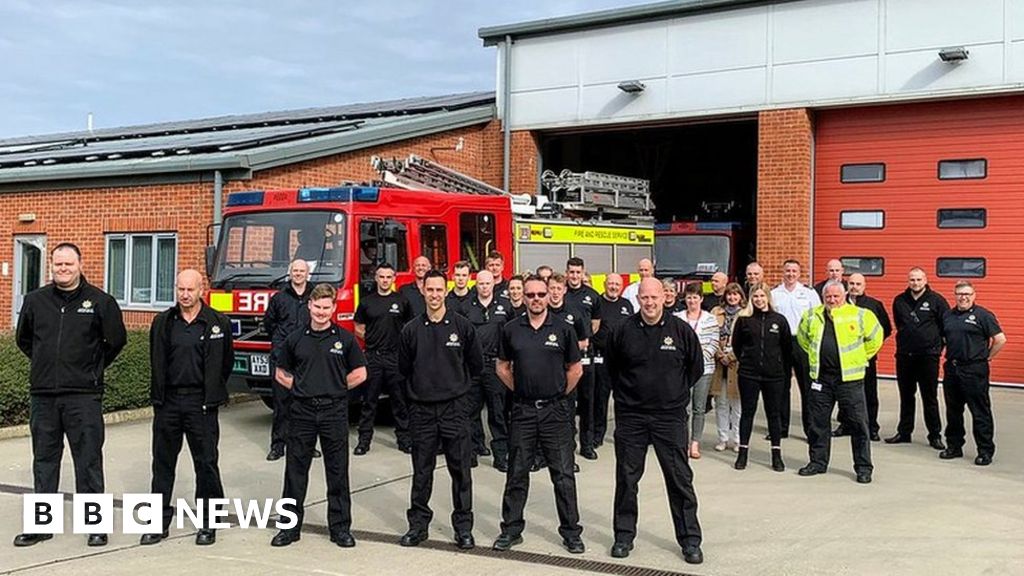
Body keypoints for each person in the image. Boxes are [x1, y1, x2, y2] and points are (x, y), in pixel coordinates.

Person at [14, 242, 127, 548]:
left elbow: (115, 341)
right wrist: (45, 365)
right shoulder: (35, 301)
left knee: (88, 462)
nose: (63, 270)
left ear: (80, 265)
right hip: (44, 397)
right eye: (58, 265)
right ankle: (41, 526)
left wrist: (89, 368)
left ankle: (96, 526)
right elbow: (24, 340)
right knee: (44, 462)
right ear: (51, 266)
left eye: (68, 265)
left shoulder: (100, 302)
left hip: (83, 397)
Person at [605, 277, 704, 565]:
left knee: (680, 480)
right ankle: (623, 536)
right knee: (626, 479)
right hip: (632, 417)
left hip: (669, 417)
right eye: (644, 298)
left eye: (654, 297)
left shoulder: (681, 331)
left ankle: (690, 540)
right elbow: (611, 369)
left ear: (665, 297)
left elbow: (695, 368)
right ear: (638, 299)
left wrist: (672, 392)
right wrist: (627, 397)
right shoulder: (622, 331)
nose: (649, 303)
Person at [271, 284, 367, 548]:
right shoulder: (295, 338)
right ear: (310, 307)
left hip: (334, 411)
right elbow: (281, 373)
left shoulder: (345, 339)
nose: (322, 312)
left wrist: (334, 387)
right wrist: (303, 388)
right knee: (294, 472)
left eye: (327, 307)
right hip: (301, 411)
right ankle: (288, 529)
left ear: (333, 308)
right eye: (318, 307)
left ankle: (340, 529)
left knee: (337, 471)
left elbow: (360, 373)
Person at [493, 276, 584, 554]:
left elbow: (575, 369)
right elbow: (502, 367)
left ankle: (571, 533)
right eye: (530, 294)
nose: (535, 299)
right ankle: (510, 530)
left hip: (556, 412)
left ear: (548, 296)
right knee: (517, 473)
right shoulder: (510, 329)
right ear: (523, 298)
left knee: (563, 475)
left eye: (540, 294)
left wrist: (556, 395)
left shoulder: (563, 329)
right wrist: (522, 391)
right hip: (522, 411)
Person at [144, 269, 234, 546]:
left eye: (190, 290)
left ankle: (208, 523)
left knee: (206, 464)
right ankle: (158, 523)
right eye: (180, 289)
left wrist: (212, 392)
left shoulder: (217, 323)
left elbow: (226, 362)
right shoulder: (163, 322)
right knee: (162, 464)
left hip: (201, 404)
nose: (184, 295)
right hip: (168, 402)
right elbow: (156, 359)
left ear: (201, 290)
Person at [398, 270, 484, 549]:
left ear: (445, 291)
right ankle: (418, 526)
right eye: (429, 290)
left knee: (461, 471)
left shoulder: (462, 327)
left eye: (438, 290)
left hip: (455, 410)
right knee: (422, 472)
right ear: (422, 291)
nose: (434, 295)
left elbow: (476, 367)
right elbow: (403, 370)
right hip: (422, 412)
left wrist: (462, 402)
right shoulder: (410, 329)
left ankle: (463, 528)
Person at [797, 281, 883, 484]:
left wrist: (861, 357)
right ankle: (818, 462)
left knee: (858, 425)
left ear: (844, 296)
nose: (832, 300)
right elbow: (803, 339)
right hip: (821, 379)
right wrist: (815, 357)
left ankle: (863, 467)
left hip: (849, 380)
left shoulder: (861, 315)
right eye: (829, 297)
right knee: (818, 424)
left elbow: (876, 338)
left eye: (836, 296)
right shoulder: (811, 315)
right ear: (823, 297)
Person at [939, 281, 1006, 466]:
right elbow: (945, 338)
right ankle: (954, 446)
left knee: (980, 412)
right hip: (952, 369)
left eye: (967, 294)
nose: (963, 297)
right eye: (960, 294)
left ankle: (985, 451)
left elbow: (1000, 339)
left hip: (974, 370)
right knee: (953, 412)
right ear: (955, 295)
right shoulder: (948, 316)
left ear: (974, 295)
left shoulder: (983, 315)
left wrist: (987, 357)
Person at [730, 284, 791, 471]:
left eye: (762, 296)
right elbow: (737, 346)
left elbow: (787, 348)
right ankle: (743, 454)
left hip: (774, 376)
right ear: (751, 299)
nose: (758, 299)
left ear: (768, 298)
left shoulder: (779, 320)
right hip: (749, 374)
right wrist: (748, 361)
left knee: (773, 414)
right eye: (755, 296)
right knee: (748, 413)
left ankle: (776, 455)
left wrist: (781, 368)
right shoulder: (744, 320)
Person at [353, 263, 412, 455]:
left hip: (395, 358)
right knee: (369, 402)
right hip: (373, 357)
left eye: (388, 277)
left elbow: (409, 328)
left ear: (394, 278)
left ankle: (404, 440)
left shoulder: (402, 301)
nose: (385, 280)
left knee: (399, 401)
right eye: (381, 277)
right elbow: (358, 327)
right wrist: (371, 339)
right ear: (376, 278)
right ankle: (364, 441)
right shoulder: (367, 302)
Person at [887, 267, 949, 449]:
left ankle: (935, 435)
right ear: (908, 281)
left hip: (928, 357)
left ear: (925, 280)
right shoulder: (900, 300)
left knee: (929, 397)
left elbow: (945, 326)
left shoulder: (937, 300)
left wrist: (937, 348)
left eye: (919, 280)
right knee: (906, 396)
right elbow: (900, 325)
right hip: (905, 356)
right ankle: (904, 432)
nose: (915, 283)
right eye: (912, 280)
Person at [264, 258, 315, 461]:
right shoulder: (279, 298)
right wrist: (280, 343)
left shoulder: (315, 295)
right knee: (281, 404)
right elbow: (269, 323)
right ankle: (278, 446)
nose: (298, 274)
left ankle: (308, 446)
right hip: (283, 358)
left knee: (308, 406)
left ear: (307, 273)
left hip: (308, 358)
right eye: (295, 270)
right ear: (290, 272)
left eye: (302, 271)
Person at [462, 270, 513, 470]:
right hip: (473, 366)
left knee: (497, 412)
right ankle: (473, 451)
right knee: (471, 411)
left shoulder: (505, 306)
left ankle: (501, 456)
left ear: (494, 284)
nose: (484, 287)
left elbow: (511, 335)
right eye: (481, 283)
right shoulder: (466, 307)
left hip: (495, 365)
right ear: (476, 284)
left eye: (488, 283)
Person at [833, 273, 892, 441]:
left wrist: (867, 350)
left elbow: (884, 330)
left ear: (864, 285)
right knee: (844, 394)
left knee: (869, 393)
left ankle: (872, 427)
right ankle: (845, 424)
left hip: (866, 359)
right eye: (851, 283)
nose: (854, 287)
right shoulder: (839, 305)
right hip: (843, 360)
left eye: (858, 284)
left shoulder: (874, 305)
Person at [770, 259, 821, 439]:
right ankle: (781, 429)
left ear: (799, 273)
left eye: (794, 271)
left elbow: (818, 318)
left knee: (807, 388)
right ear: (782, 272)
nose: (790, 274)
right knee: (781, 387)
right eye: (788, 271)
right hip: (780, 342)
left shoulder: (808, 293)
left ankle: (811, 430)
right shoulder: (774, 293)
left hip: (802, 341)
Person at [564, 257, 602, 460]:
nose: (574, 276)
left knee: (588, 401)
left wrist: (584, 339)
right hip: (566, 359)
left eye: (578, 272)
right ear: (567, 273)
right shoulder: (562, 294)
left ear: (583, 272)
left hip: (587, 356)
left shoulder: (593, 296)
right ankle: (568, 445)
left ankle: (587, 445)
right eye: (571, 272)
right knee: (569, 402)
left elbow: (595, 324)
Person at [591, 273, 634, 449]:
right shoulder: (597, 302)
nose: (614, 287)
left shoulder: (626, 305)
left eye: (617, 284)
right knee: (600, 399)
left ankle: (624, 434)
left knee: (623, 399)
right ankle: (597, 435)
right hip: (601, 357)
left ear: (621, 286)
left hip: (622, 359)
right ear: (605, 284)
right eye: (611, 284)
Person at [680, 283, 719, 459]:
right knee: (683, 407)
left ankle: (695, 443)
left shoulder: (710, 319)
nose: (692, 301)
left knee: (699, 408)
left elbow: (713, 343)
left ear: (701, 299)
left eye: (695, 297)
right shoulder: (678, 318)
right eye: (689, 297)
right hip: (683, 370)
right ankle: (683, 441)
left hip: (704, 369)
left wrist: (698, 359)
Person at [710, 283, 745, 452]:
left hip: (737, 364)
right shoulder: (716, 312)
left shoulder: (746, 313)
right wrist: (719, 354)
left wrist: (731, 356)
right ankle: (723, 438)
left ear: (741, 297)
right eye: (729, 295)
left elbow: (747, 340)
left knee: (736, 405)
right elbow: (710, 334)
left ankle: (737, 439)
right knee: (721, 403)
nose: (732, 298)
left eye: (735, 295)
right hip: (719, 364)